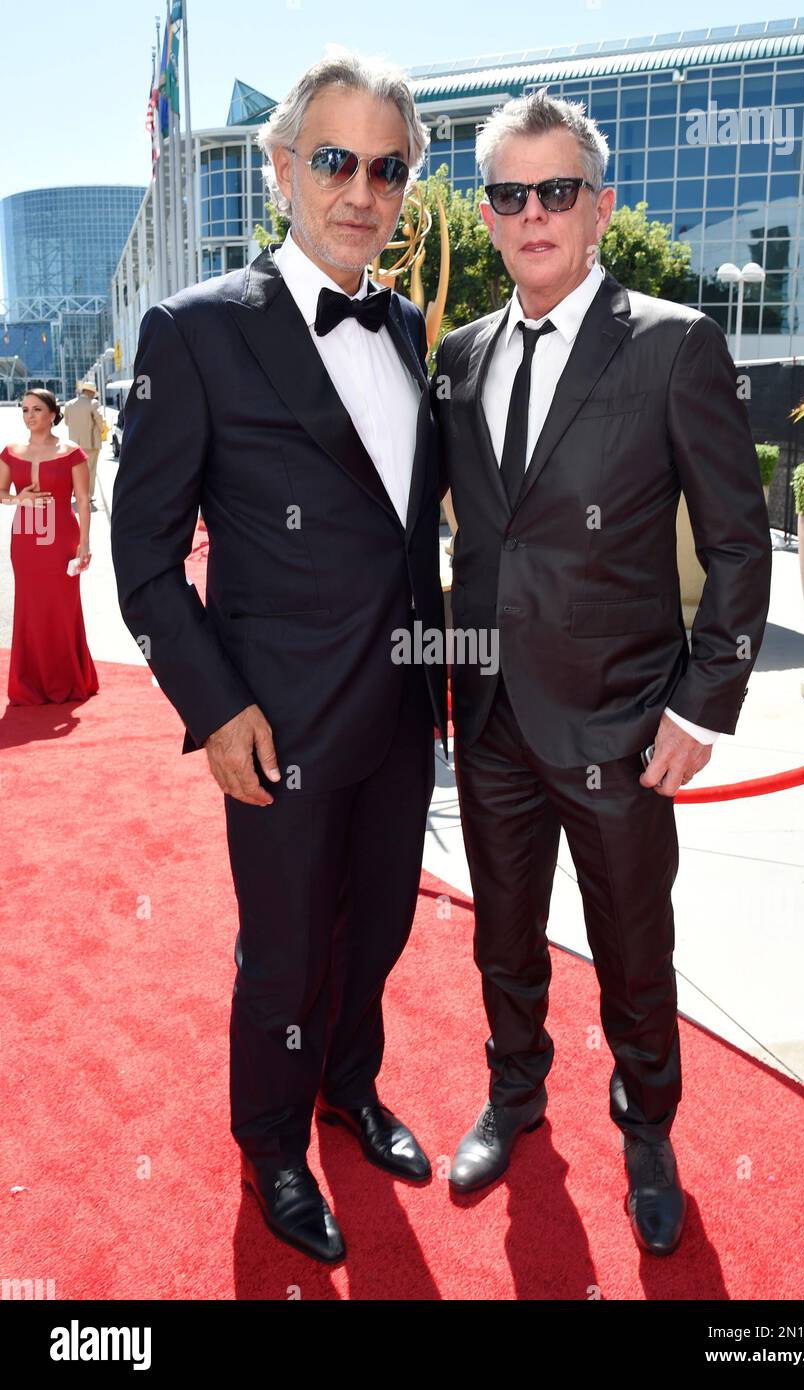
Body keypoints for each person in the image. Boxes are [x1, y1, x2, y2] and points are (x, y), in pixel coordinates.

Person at [111, 52, 448, 1265]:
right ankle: (270, 1142)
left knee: (378, 932)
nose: (360, 190)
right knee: (286, 950)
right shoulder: (194, 330)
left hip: (402, 713)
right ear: (280, 165)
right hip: (280, 727)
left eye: (386, 167)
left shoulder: (408, 324)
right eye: (334, 159)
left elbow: (408, 530)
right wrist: (215, 710)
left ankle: (347, 1088)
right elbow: (140, 557)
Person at [432, 91, 772, 1256]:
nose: (533, 214)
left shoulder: (674, 344)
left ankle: (645, 1125)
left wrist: (701, 700)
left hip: (623, 722)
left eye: (556, 191)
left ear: (599, 206)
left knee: (633, 942)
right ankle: (514, 1095)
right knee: (503, 936)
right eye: (510, 194)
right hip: (485, 719)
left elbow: (736, 541)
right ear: (486, 215)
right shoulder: (459, 357)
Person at [0, 389, 98, 706]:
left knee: (61, 606)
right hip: (25, 539)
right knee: (30, 606)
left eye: (36, 409)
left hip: (61, 538)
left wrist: (84, 542)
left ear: (53, 414)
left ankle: (69, 677)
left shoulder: (71, 452)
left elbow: (83, 500)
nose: (29, 415)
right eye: (25, 410)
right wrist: (19, 499)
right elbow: (0, 492)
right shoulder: (11, 451)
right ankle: (29, 682)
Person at [63, 381, 104, 508]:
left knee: (75, 471)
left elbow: (66, 422)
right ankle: (88, 495)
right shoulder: (93, 403)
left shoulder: (69, 404)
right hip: (91, 443)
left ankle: (76, 493)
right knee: (90, 470)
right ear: (91, 392)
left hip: (73, 444)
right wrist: (102, 429)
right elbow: (99, 420)